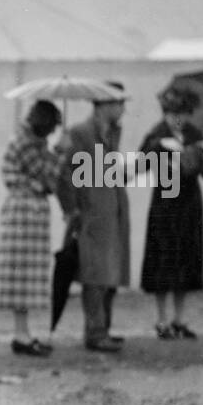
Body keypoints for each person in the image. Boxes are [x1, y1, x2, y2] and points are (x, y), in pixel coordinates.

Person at [54, 82, 130, 352]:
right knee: (96, 275)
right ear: (105, 104)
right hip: (92, 214)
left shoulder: (111, 134)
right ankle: (95, 333)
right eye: (118, 102)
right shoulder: (80, 134)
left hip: (112, 211)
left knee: (110, 273)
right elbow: (63, 175)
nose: (122, 108)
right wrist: (71, 210)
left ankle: (103, 329)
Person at [140, 86, 203, 338]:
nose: (179, 118)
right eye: (174, 113)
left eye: (183, 113)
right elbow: (141, 164)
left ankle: (179, 318)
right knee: (163, 259)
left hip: (188, 205)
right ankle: (162, 319)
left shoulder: (195, 135)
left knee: (185, 258)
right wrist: (160, 148)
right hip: (165, 203)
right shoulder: (156, 135)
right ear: (165, 113)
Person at [0, 100, 65, 355]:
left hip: (24, 215)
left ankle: (23, 333)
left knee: (23, 276)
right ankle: (21, 336)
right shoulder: (27, 145)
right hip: (26, 215)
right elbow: (50, 177)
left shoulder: (28, 141)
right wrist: (60, 155)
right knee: (24, 276)